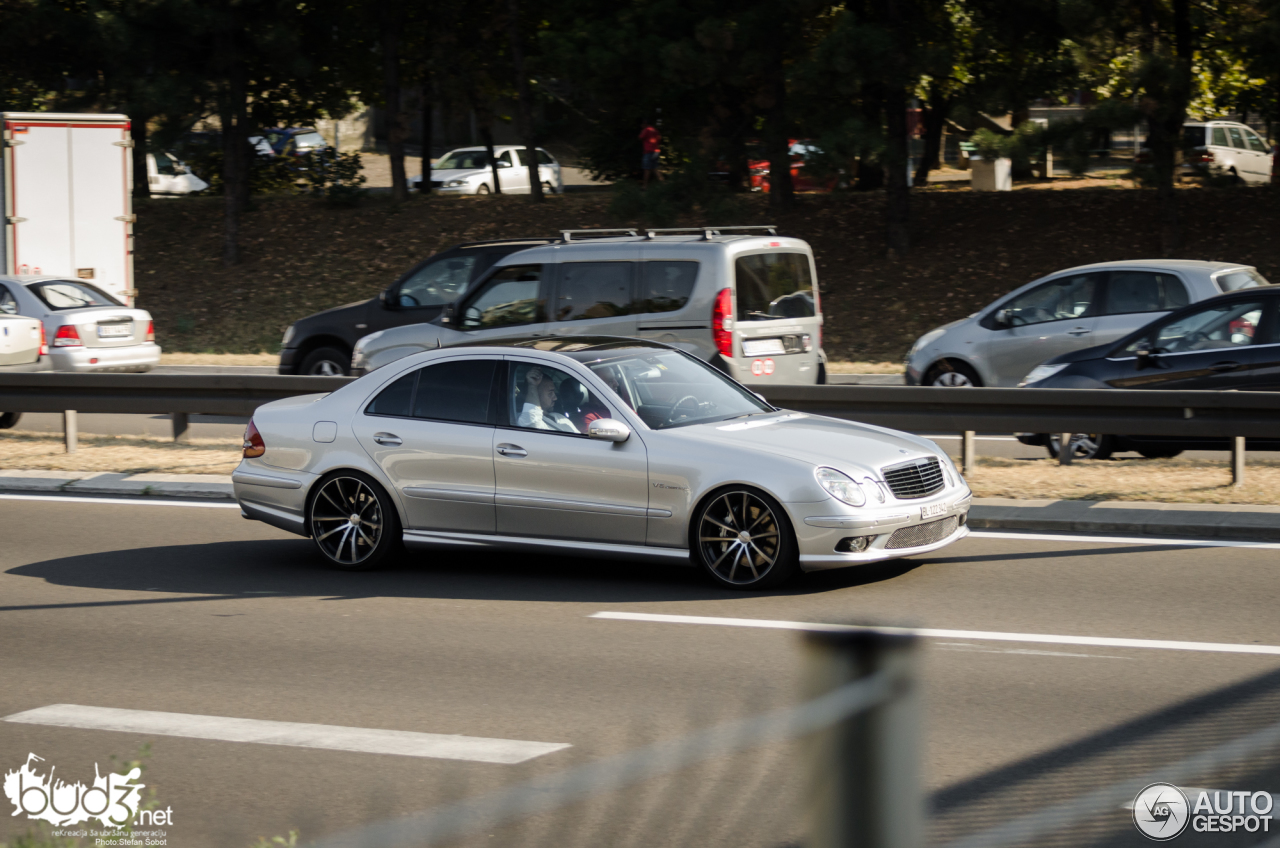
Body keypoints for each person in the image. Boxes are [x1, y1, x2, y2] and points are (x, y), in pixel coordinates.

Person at [517, 366, 579, 432]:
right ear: (536, 394)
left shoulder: (559, 417)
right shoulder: (523, 418)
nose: (555, 398)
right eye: (550, 394)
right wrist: (532, 385)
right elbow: (532, 423)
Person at [639, 122, 663, 187]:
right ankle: (663, 183)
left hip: (648, 152)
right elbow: (659, 140)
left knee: (646, 169)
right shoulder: (655, 130)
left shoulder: (646, 130)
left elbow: (640, 137)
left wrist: (642, 131)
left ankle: (644, 186)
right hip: (656, 151)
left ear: (644, 124)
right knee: (654, 168)